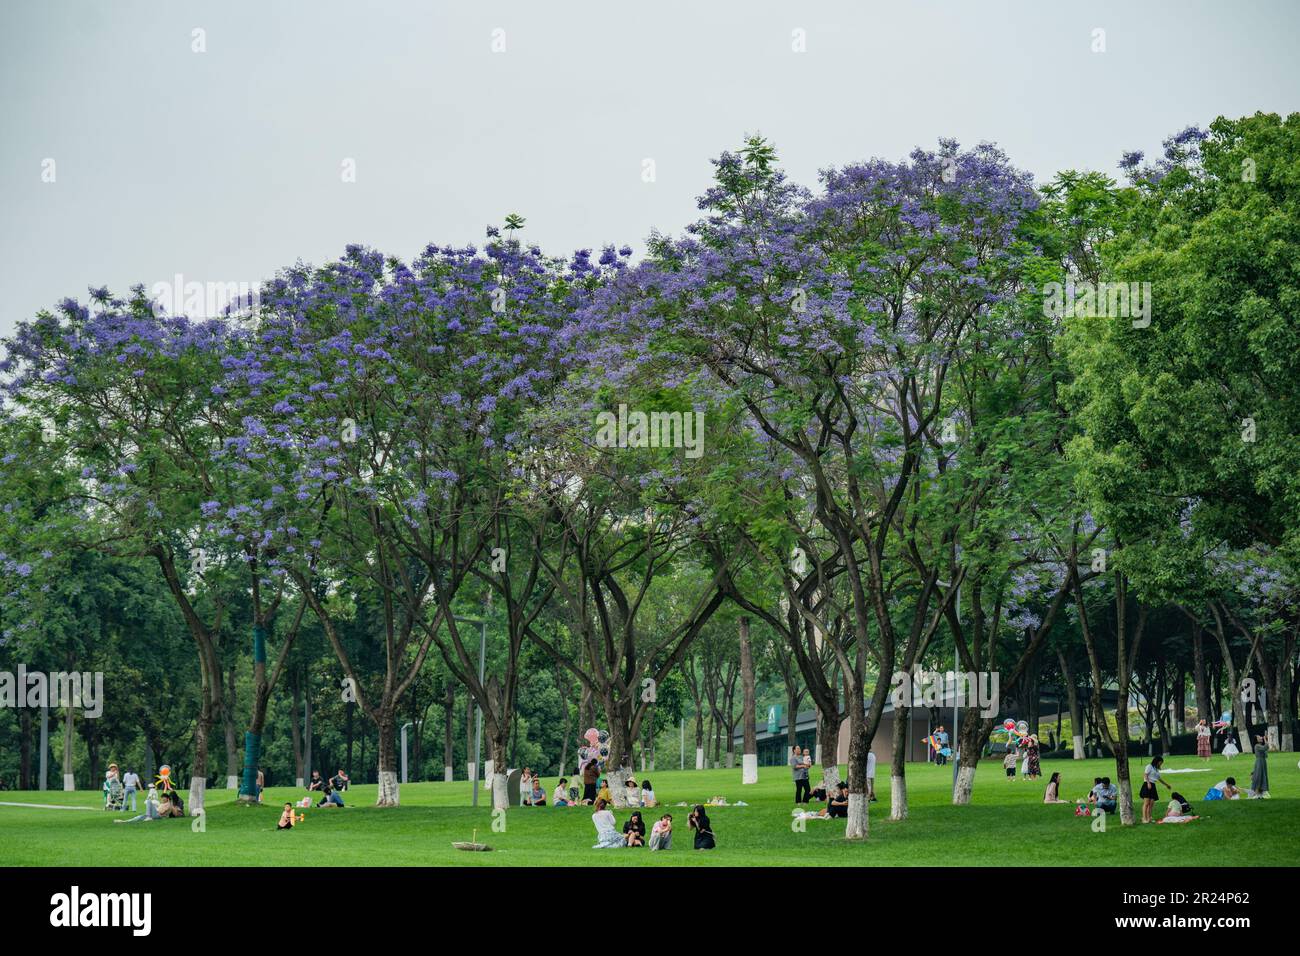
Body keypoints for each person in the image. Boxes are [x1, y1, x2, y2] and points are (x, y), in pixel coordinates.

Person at [1140, 756, 1172, 823]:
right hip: (1147, 785)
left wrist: (1167, 785)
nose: (1161, 764)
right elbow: (1145, 775)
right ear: (1157, 761)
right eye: (1160, 762)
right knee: (1146, 803)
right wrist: (1148, 783)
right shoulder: (1149, 766)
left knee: (1151, 803)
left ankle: (1149, 818)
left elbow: (1159, 779)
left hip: (1153, 786)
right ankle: (1144, 818)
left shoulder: (1156, 769)